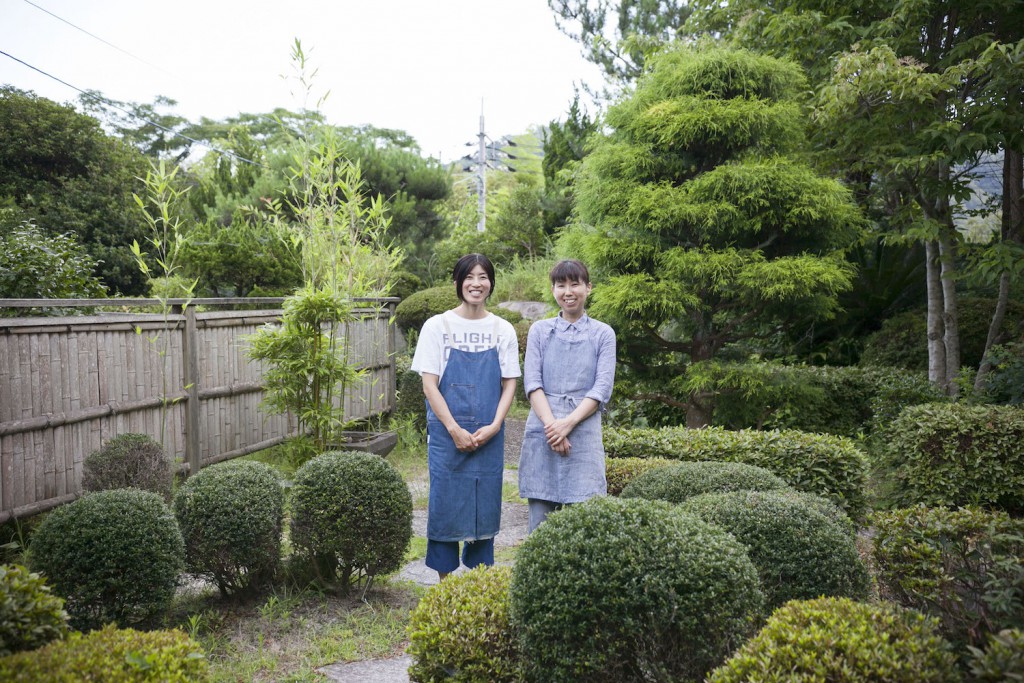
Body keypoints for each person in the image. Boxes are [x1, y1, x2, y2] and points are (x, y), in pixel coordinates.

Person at [410, 253, 520, 579]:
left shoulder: (503, 329)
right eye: (469, 277)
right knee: (445, 503)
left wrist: (496, 425)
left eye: (483, 276)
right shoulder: (437, 326)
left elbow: (510, 382)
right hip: (447, 435)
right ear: (457, 282)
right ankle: (445, 589)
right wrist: (454, 428)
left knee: (485, 504)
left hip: (489, 433)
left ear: (491, 283)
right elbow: (429, 385)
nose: (476, 283)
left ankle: (477, 585)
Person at [518, 259, 616, 533]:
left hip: (583, 429)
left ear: (588, 288)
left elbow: (601, 389)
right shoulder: (540, 331)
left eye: (575, 284)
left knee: (585, 521)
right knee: (540, 521)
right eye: (561, 285)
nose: (568, 291)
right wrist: (553, 427)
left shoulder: (603, 334)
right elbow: (533, 384)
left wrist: (568, 424)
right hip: (542, 427)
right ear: (553, 290)